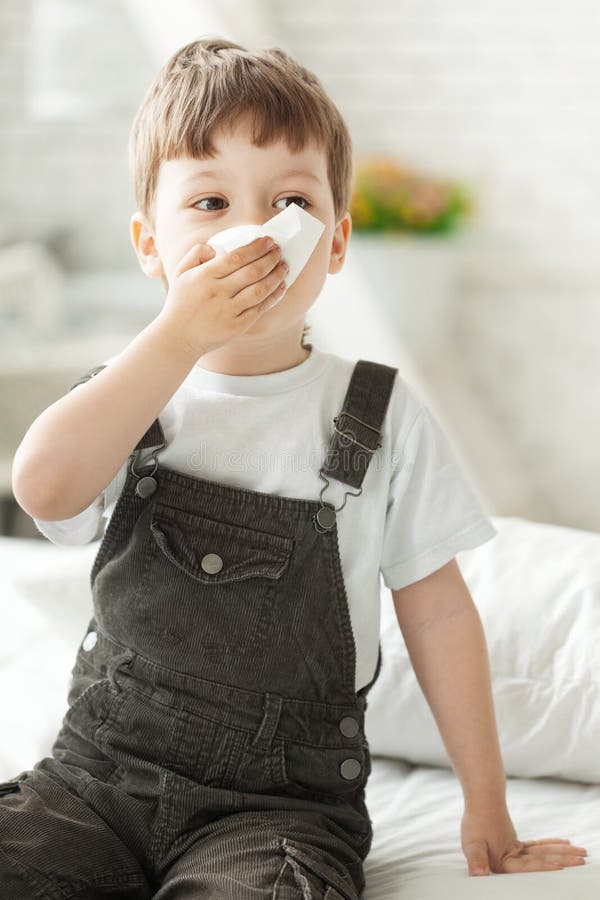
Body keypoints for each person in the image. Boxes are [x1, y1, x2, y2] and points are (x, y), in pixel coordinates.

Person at [5, 36, 586, 899]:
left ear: (337, 243)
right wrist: (176, 336)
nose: (251, 231)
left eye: (289, 201)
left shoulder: (379, 417)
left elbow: (438, 616)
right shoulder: (132, 397)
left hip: (277, 811)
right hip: (98, 781)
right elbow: (42, 487)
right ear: (150, 245)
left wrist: (487, 807)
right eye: (208, 201)